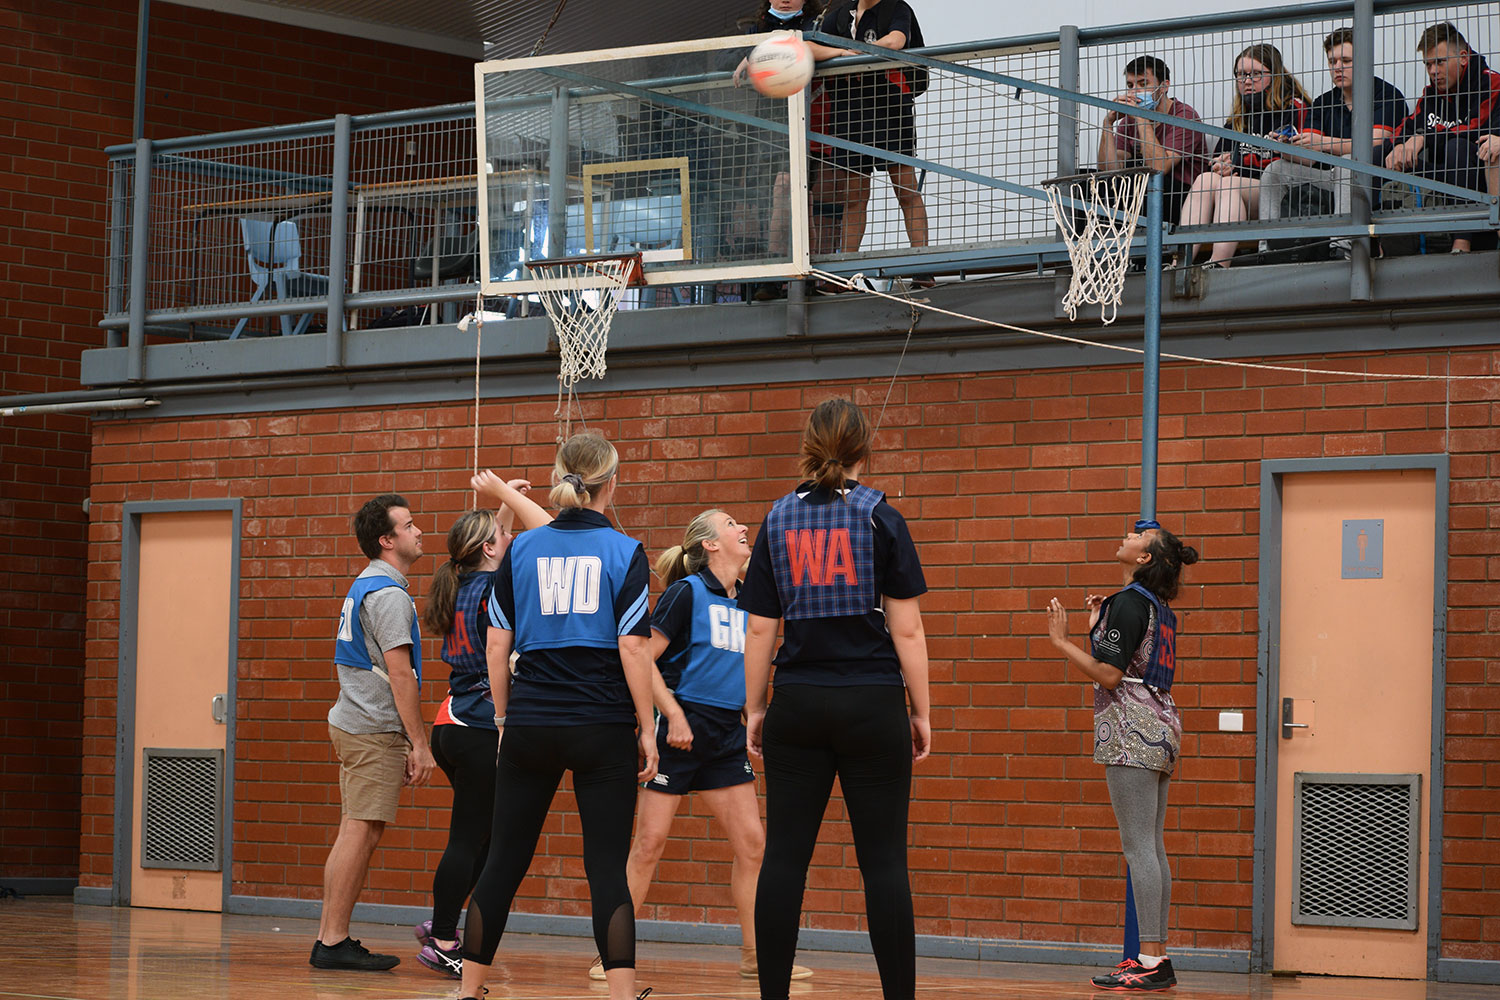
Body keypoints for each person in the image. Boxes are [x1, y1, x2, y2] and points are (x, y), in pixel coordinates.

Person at [454, 435, 659, 1000]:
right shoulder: (626, 550)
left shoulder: (520, 550)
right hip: (603, 728)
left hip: (531, 725)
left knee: (502, 864)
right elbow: (635, 649)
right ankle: (622, 995)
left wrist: (501, 720)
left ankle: (468, 992)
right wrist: (648, 728)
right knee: (606, 871)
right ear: (611, 483)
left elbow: (497, 645)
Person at [740, 397, 931, 1000]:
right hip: (873, 704)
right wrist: (921, 710)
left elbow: (760, 630)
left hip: (798, 703)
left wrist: (754, 708)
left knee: (784, 860)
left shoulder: (777, 519)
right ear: (862, 449)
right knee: (884, 864)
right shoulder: (883, 517)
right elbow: (908, 630)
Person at [587, 510, 813, 982]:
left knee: (753, 846)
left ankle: (758, 955)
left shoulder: (754, 600)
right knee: (648, 845)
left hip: (725, 735)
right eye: (731, 523)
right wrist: (671, 714)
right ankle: (609, 956)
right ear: (710, 544)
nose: (743, 528)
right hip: (679, 730)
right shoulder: (685, 593)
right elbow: (641, 660)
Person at [1046, 518, 1200, 993]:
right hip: (1161, 722)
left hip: (1133, 728)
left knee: (1139, 848)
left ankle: (1150, 959)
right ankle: (1157, 957)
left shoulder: (1130, 602)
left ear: (1144, 558)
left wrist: (1063, 641)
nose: (1127, 537)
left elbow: (1110, 676)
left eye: (1136, 538)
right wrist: (1099, 628)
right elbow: (1126, 660)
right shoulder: (1154, 606)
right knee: (1151, 845)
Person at [414, 481, 553, 978]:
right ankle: (446, 938)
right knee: (471, 836)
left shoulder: (464, 581)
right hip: (478, 725)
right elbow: (550, 533)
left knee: (488, 836)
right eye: (499, 534)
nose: (507, 538)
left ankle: (444, 920)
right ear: (490, 548)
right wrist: (509, 505)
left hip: (451, 722)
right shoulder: (498, 586)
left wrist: (500, 509)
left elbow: (494, 545)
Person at [310, 494, 433, 972]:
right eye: (409, 524)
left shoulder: (369, 586)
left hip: (356, 725)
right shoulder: (388, 596)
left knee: (357, 830)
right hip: (370, 730)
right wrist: (418, 744)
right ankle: (332, 941)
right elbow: (401, 676)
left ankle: (330, 936)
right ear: (387, 540)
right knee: (359, 832)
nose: (419, 530)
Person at [1256, 27, 1408, 260]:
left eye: (1345, 60)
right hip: (1331, 178)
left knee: (1349, 164)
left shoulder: (1387, 94)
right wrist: (1285, 148)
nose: (1337, 67)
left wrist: (1323, 143)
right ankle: (1268, 248)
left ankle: (1343, 248)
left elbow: (1377, 141)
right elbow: (1309, 155)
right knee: (1274, 171)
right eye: (1332, 61)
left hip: (1375, 179)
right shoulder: (1322, 102)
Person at [1179, 44, 1311, 267]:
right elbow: (1221, 157)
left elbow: (1294, 159)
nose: (1247, 81)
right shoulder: (1240, 116)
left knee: (1228, 186)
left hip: (1283, 193)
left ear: (1275, 74)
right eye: (1241, 75)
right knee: (1206, 180)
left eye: (1256, 74)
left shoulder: (1295, 107)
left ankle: (1219, 263)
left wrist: (1240, 161)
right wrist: (1222, 165)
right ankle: (1182, 262)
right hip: (1242, 197)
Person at [818, 0, 930, 259]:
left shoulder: (896, 8)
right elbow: (810, 46)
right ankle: (847, 269)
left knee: (906, 190)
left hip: (890, 110)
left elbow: (896, 41)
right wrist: (841, 53)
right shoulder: (838, 15)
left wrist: (857, 50)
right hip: (849, 114)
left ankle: (923, 263)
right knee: (854, 197)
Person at [1384, 22, 1500, 254]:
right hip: (1441, 178)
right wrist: (1399, 146)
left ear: (1464, 57)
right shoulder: (1431, 95)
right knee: (1380, 154)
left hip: (1477, 178)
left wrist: (1424, 138)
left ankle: (1462, 242)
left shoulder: (1490, 84)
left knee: (1457, 147)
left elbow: (1476, 132)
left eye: (1440, 62)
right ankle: (1366, 243)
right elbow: (1405, 127)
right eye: (1428, 64)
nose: (1433, 71)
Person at [1097, 56, 1209, 224]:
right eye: (1130, 86)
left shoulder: (1185, 116)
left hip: (1180, 197)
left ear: (1164, 86)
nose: (1134, 91)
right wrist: (1108, 123)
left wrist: (1141, 118)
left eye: (1143, 84)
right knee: (1092, 183)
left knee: (1147, 181)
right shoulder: (1129, 120)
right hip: (1141, 193)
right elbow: (1109, 170)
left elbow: (1159, 167)